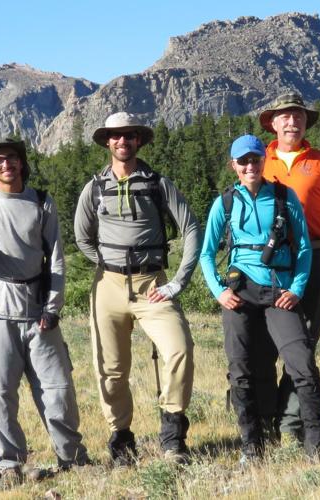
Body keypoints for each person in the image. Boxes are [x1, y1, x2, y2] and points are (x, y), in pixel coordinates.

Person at [0, 138, 90, 484]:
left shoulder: (42, 203)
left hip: (38, 309)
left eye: (12, 158)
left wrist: (53, 307)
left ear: (21, 163)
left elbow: (56, 259)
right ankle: (8, 463)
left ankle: (72, 457)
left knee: (57, 388)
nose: (6, 165)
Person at [199, 134, 320, 462]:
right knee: (240, 369)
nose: (250, 166)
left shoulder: (284, 197)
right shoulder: (225, 203)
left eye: (255, 159)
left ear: (265, 160)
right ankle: (253, 447)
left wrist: (297, 289)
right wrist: (219, 292)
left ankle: (318, 445)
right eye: (243, 161)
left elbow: (304, 247)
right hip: (240, 293)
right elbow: (206, 254)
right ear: (233, 165)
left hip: (279, 291)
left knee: (302, 364)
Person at [74, 112, 202, 465]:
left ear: (138, 140)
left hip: (154, 285)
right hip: (108, 287)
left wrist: (178, 281)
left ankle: (173, 436)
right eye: (115, 136)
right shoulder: (94, 187)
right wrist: (108, 262)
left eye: (129, 135)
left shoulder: (158, 183)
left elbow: (191, 227)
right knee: (110, 370)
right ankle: (122, 440)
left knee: (179, 349)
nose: (122, 141)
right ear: (107, 142)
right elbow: (81, 236)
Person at [259, 92, 320, 444]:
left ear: (305, 121)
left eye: (297, 115)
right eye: (284, 116)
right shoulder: (258, 161)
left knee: (304, 345)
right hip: (266, 266)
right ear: (273, 122)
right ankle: (265, 422)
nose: (291, 122)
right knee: (265, 345)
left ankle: (291, 423)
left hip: (310, 257)